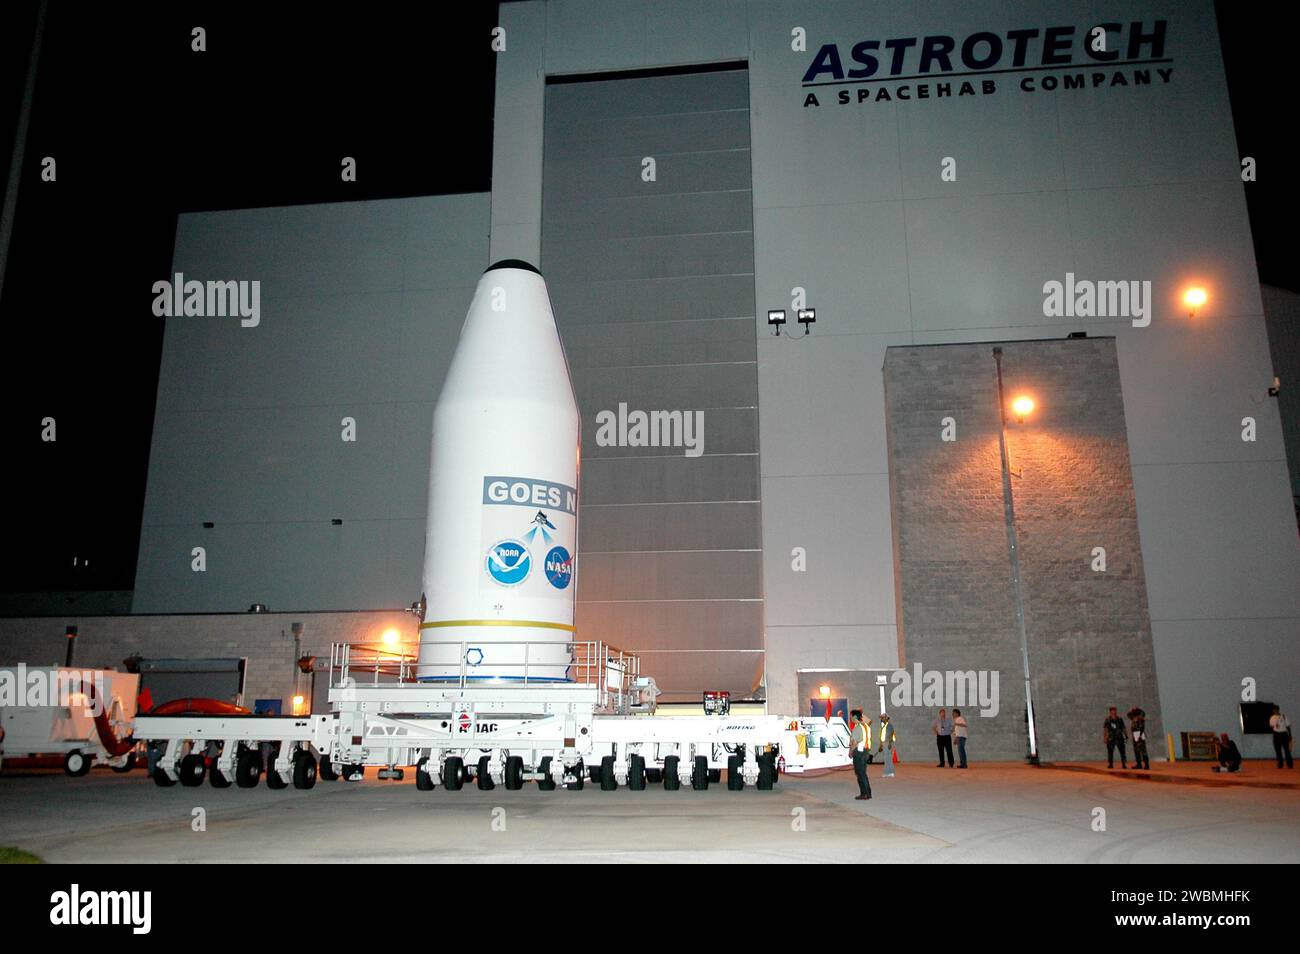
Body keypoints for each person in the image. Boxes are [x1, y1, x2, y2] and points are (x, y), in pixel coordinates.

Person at [850, 708, 872, 800]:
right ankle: (867, 793)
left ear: (855, 717)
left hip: (859, 752)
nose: (850, 718)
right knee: (863, 773)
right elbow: (870, 721)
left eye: (851, 716)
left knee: (860, 773)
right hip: (865, 751)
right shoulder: (865, 726)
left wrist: (851, 751)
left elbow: (854, 742)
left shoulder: (857, 727)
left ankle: (864, 793)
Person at [878, 713, 896, 778]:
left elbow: (890, 735)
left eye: (882, 718)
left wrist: (890, 743)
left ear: (886, 718)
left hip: (887, 743)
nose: (881, 719)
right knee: (887, 758)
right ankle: (890, 772)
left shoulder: (889, 725)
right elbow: (882, 736)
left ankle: (888, 772)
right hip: (884, 743)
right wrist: (880, 745)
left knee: (887, 758)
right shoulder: (884, 726)